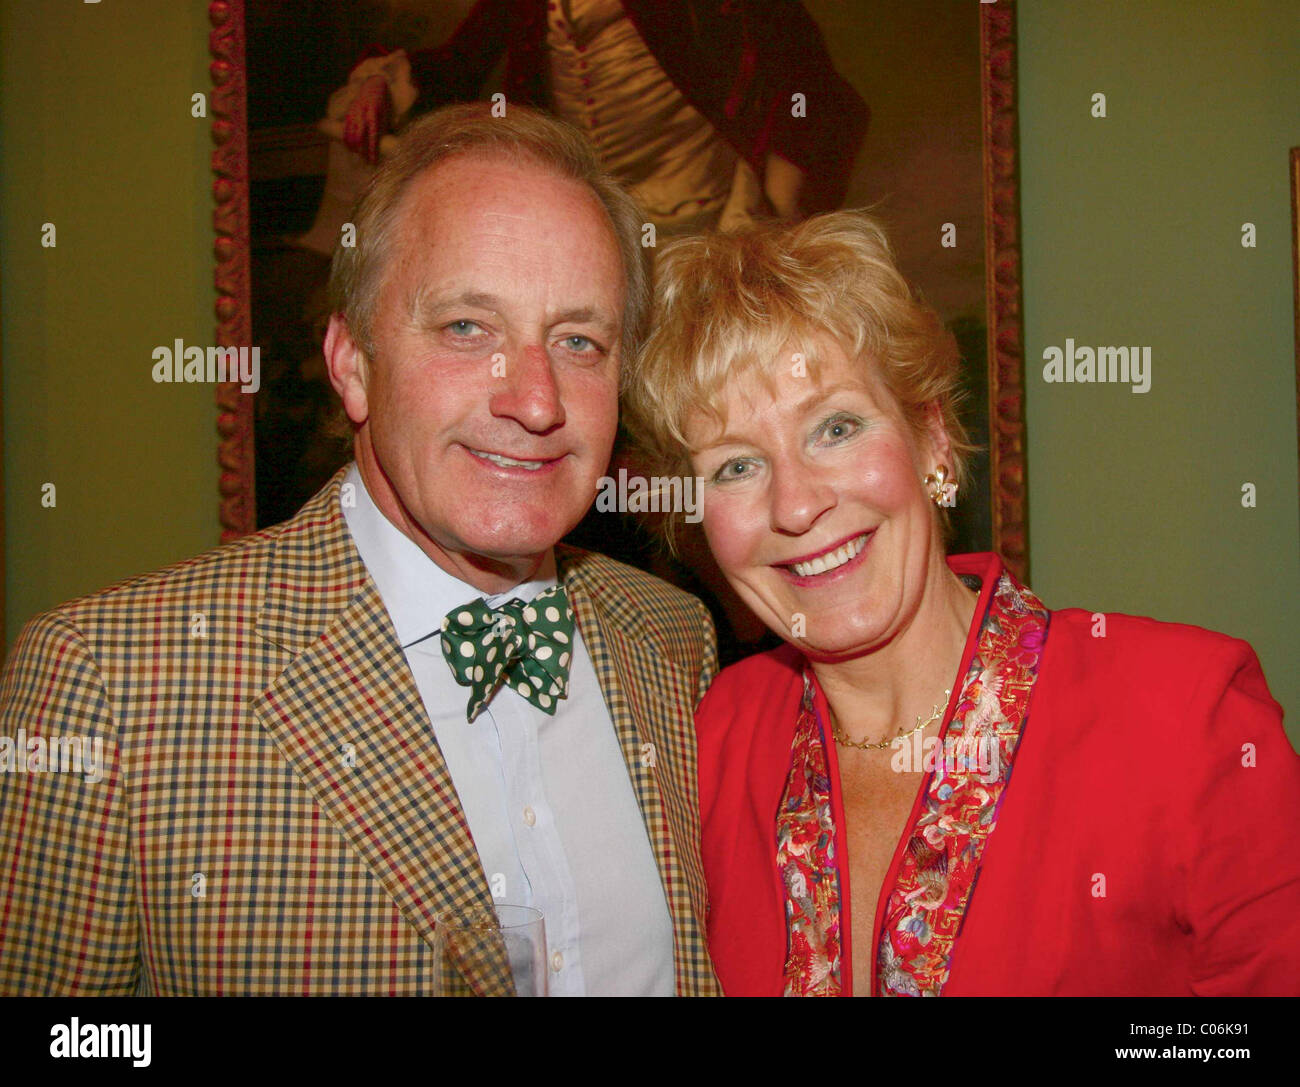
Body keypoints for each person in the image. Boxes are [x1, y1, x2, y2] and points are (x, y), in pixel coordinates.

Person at [0, 104, 719, 997]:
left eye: (578, 341)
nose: (535, 400)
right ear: (351, 363)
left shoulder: (673, 640)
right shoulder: (110, 681)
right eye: (467, 328)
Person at [622, 210, 1300, 996]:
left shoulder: (1186, 712)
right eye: (736, 466)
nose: (797, 505)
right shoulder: (710, 742)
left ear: (933, 443)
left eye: (835, 427)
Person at [336, 0, 868, 234]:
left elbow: (795, 57)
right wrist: (382, 80)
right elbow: (461, 62)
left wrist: (781, 183)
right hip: (594, 211)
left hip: (702, 203)